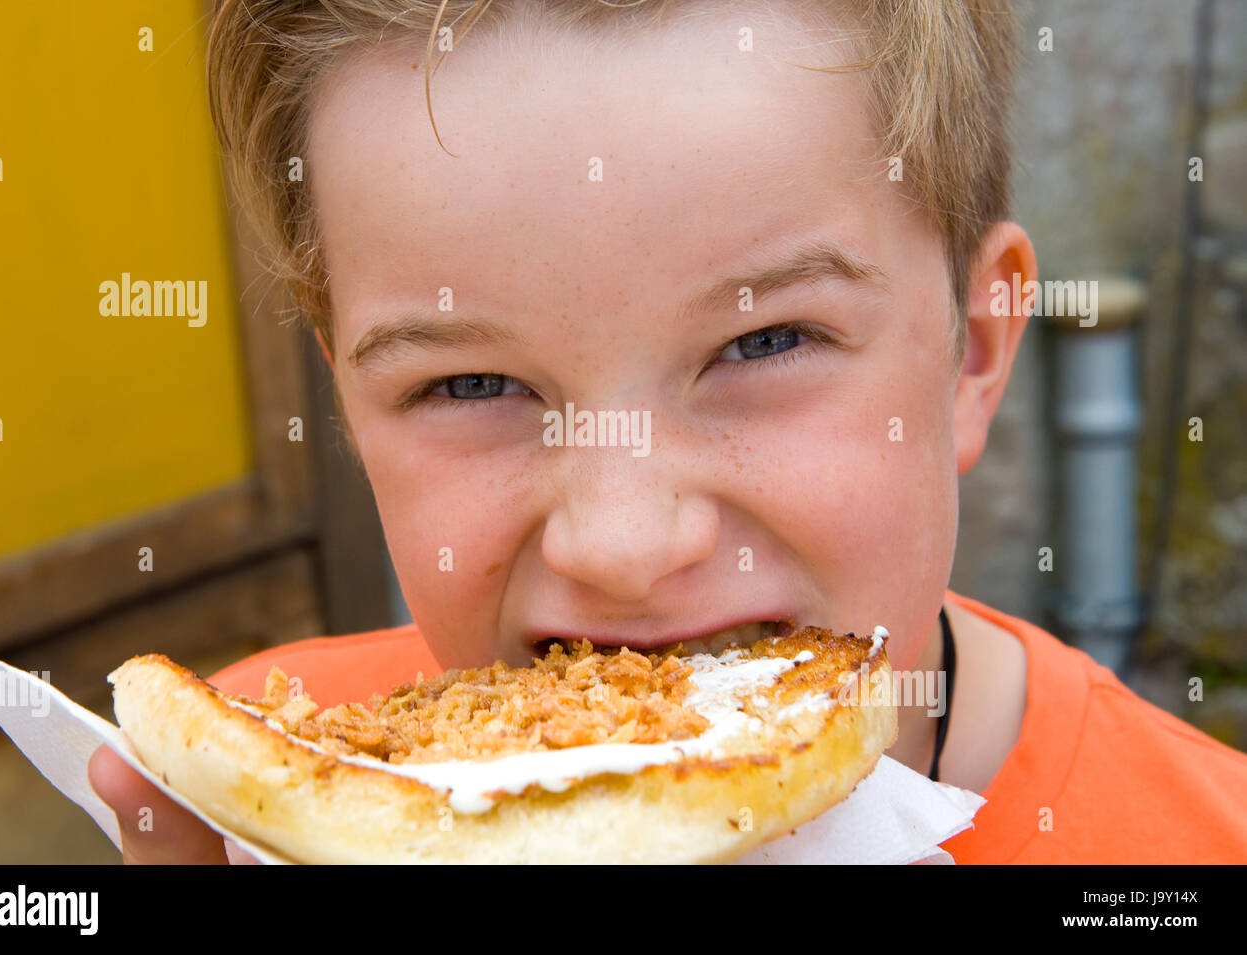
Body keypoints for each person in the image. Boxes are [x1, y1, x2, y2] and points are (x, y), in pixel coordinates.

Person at [89, 0, 1247, 864]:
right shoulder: (257, 792)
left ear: (973, 352)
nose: (624, 544)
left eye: (762, 345)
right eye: (472, 383)